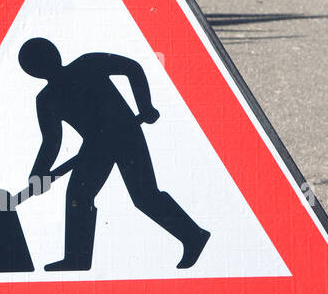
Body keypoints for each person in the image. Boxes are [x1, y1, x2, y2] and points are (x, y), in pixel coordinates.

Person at [17, 37, 210, 271]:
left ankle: (193, 236)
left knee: (144, 195)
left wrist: (144, 106)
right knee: (78, 195)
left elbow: (132, 68)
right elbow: (51, 140)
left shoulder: (87, 64)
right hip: (95, 145)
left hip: (125, 133)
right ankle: (77, 258)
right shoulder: (46, 99)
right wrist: (38, 173)